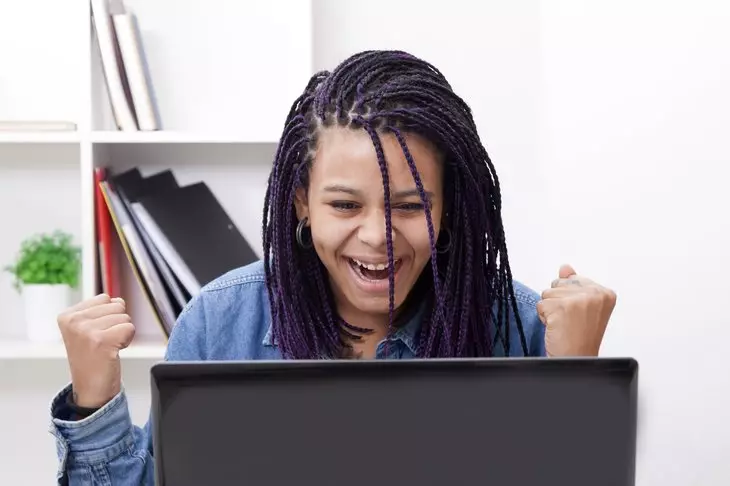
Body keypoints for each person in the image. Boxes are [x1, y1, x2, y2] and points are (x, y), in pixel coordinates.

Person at [49, 50, 617, 485]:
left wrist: (579, 379)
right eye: (345, 205)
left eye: (411, 205)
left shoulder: (517, 325)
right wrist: (95, 401)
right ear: (301, 201)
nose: (377, 236)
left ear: (450, 208)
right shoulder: (221, 321)